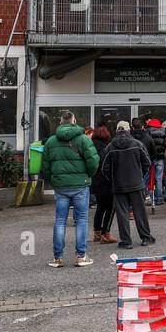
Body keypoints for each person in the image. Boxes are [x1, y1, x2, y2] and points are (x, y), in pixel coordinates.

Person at [39, 109, 100, 268]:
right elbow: (93, 161)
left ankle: (57, 258)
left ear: (60, 122)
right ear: (74, 121)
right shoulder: (84, 140)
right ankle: (81, 256)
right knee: (81, 220)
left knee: (60, 221)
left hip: (61, 187)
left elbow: (45, 166)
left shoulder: (51, 142)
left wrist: (53, 179)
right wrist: (88, 175)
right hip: (81, 185)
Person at [101, 121, 155, 248]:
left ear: (117, 131)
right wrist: (139, 174)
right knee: (140, 213)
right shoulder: (138, 144)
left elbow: (104, 168)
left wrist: (113, 179)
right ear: (128, 130)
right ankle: (146, 238)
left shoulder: (110, 147)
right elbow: (147, 163)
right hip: (136, 183)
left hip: (119, 185)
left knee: (122, 214)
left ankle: (126, 241)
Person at [90, 125, 118, 244]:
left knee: (100, 207)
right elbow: (106, 167)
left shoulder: (91, 147)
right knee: (111, 207)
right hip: (105, 182)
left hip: (95, 182)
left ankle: (97, 232)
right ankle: (105, 233)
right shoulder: (105, 149)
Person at [146, 118, 166, 207]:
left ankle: (151, 198)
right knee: (159, 179)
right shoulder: (164, 131)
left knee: (150, 179)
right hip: (160, 158)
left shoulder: (148, 131)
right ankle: (159, 198)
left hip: (151, 158)